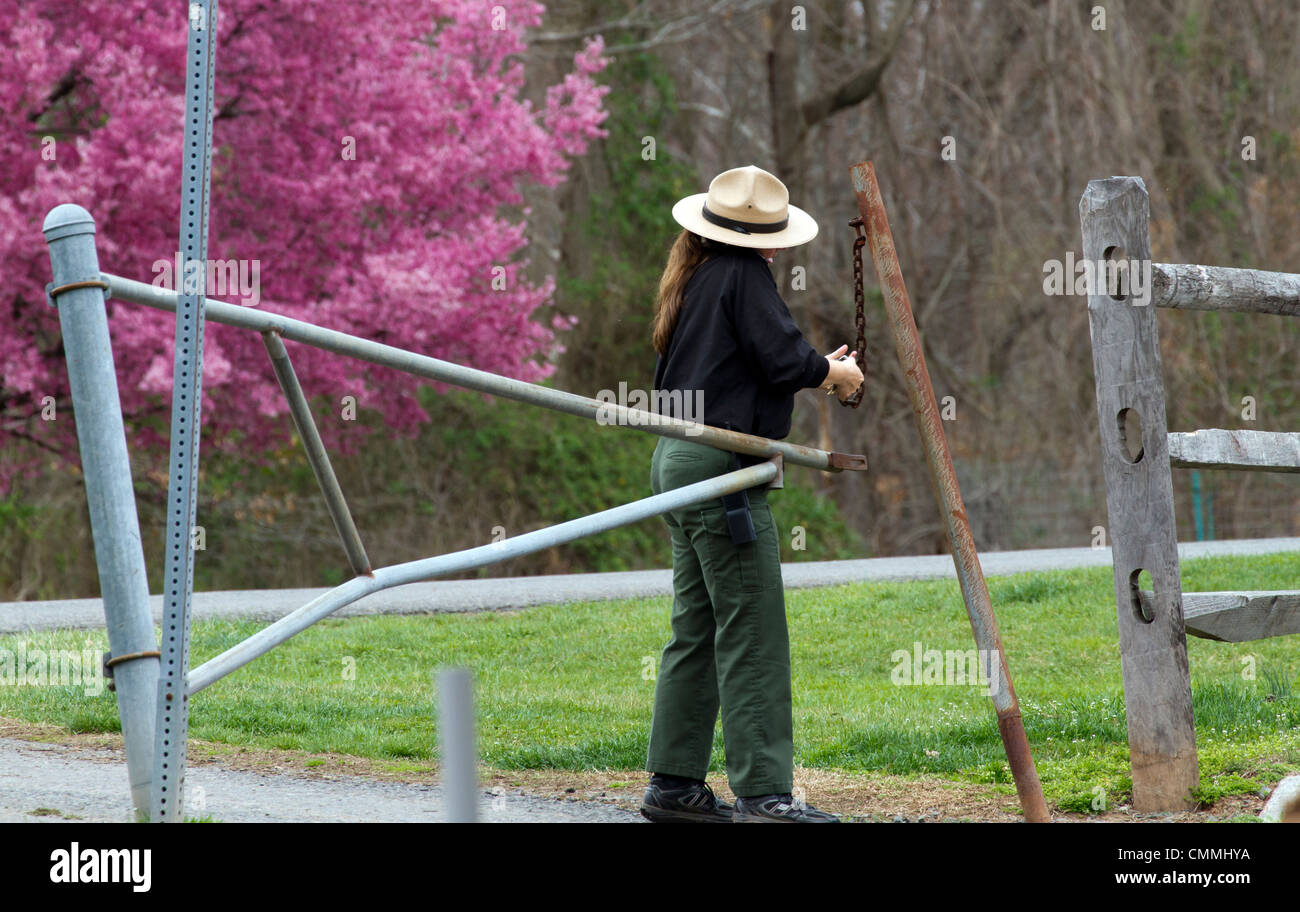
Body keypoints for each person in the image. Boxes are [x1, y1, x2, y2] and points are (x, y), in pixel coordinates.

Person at [639, 165, 864, 823]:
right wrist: (838, 373)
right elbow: (783, 360)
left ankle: (675, 783)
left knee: (698, 626)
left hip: (675, 461)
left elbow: (754, 364)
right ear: (765, 238)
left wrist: (823, 369)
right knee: (752, 629)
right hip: (720, 471)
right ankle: (765, 794)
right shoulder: (743, 274)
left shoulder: (698, 277)